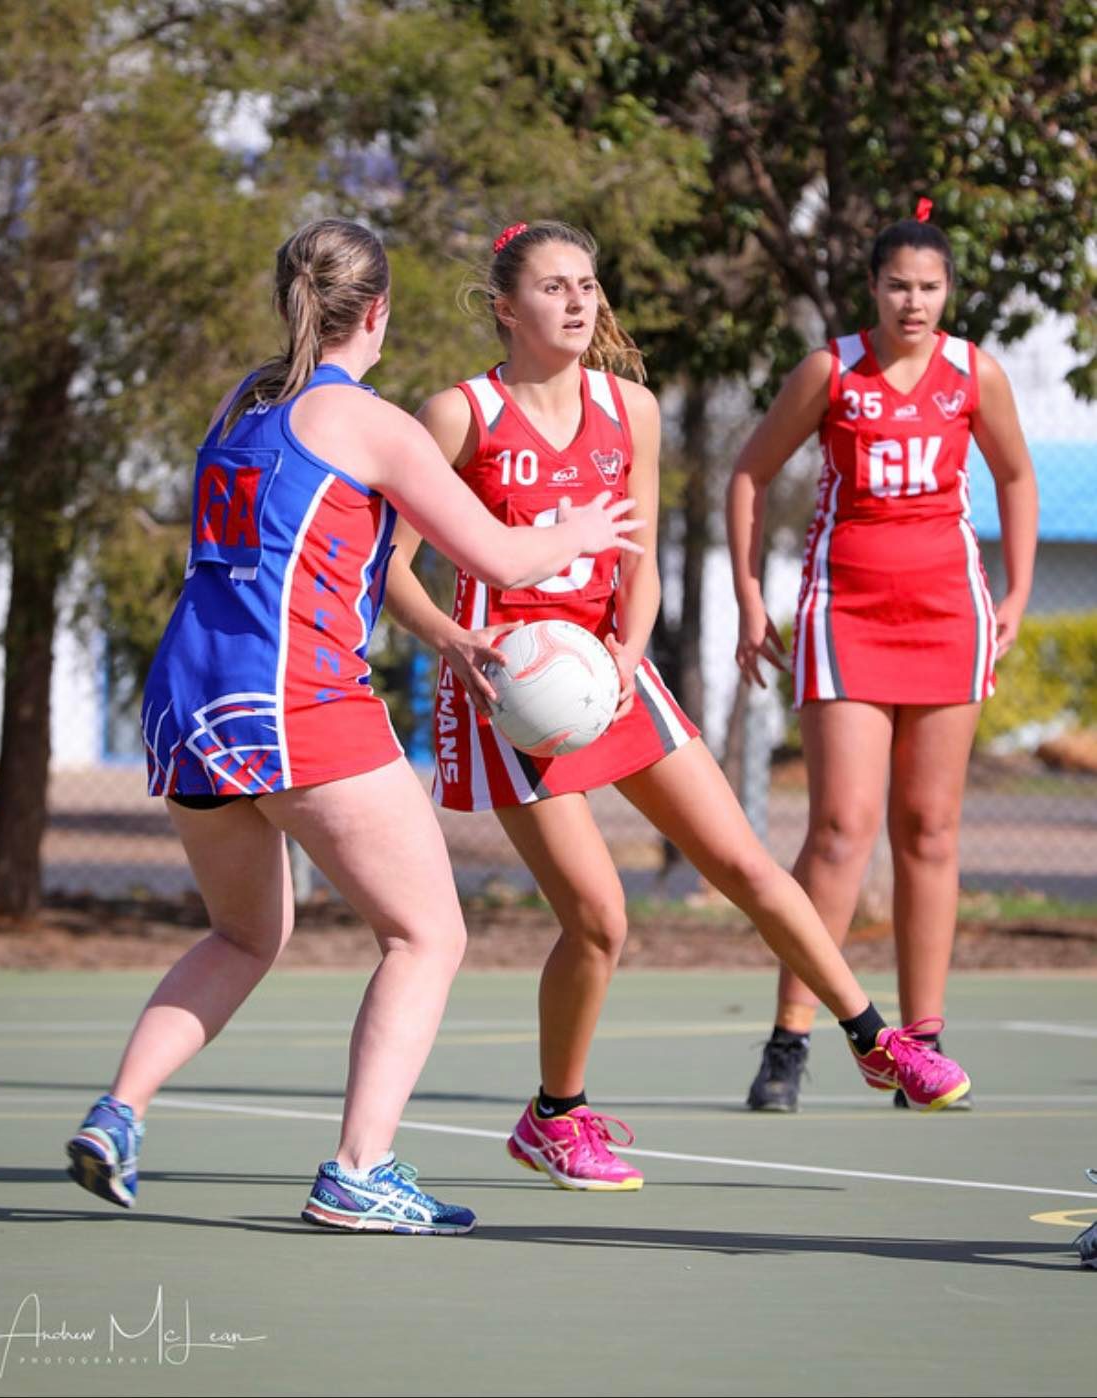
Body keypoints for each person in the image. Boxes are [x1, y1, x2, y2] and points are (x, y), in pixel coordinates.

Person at [65, 217, 644, 1235]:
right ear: (377, 311)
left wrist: (450, 640)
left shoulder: (242, 401)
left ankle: (120, 1113)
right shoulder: (370, 423)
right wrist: (588, 525)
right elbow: (506, 560)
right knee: (428, 934)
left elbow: (326, 546)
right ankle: (358, 1168)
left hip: (189, 696)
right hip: (296, 701)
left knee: (245, 933)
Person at [384, 218, 973, 1193]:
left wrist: (627, 645)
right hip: (507, 686)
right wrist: (457, 641)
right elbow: (390, 571)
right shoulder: (461, 416)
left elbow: (640, 564)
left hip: (608, 666)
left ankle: (877, 1041)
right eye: (554, 287)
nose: (578, 302)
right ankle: (555, 1118)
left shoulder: (633, 412)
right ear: (505, 309)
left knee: (744, 860)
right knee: (601, 918)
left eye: (588, 284)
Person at [727, 202, 1038, 1113]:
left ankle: (923, 1040)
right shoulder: (831, 370)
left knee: (929, 829)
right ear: (871, 288)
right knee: (838, 829)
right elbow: (748, 472)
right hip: (845, 614)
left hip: (948, 613)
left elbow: (1015, 476)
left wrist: (1015, 592)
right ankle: (789, 1038)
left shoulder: (972, 372)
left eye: (929, 286)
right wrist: (751, 597)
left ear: (947, 292)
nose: (913, 301)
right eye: (897, 284)